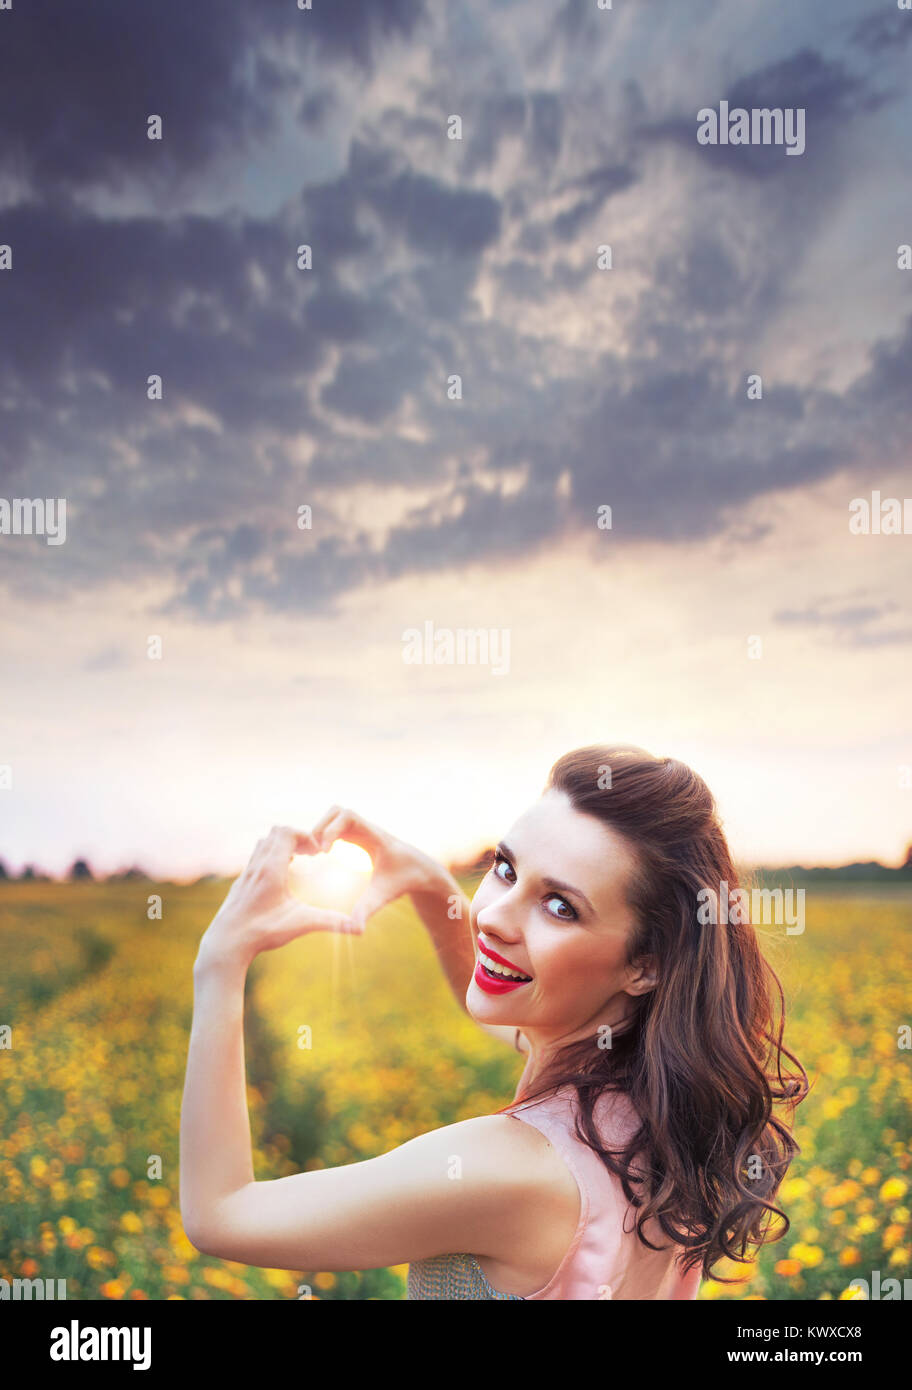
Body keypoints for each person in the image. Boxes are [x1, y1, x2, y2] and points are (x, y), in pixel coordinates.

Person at [180, 744, 808, 1299]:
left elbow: (221, 1215)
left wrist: (220, 964)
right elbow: (495, 999)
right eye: (505, 869)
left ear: (644, 965)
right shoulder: (654, 1111)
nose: (493, 917)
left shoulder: (504, 1169)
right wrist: (430, 885)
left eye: (559, 907)